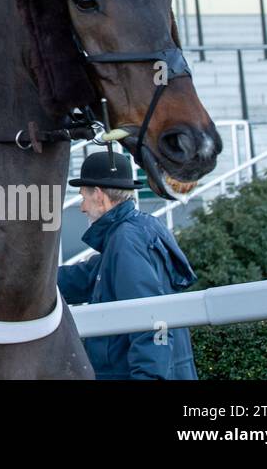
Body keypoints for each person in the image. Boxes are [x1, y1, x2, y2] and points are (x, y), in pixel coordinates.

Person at [57, 153, 198, 380]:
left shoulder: (126, 241)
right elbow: (85, 277)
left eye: (83, 197)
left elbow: (153, 317)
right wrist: (29, 283)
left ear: (100, 197)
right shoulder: (136, 228)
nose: (82, 207)